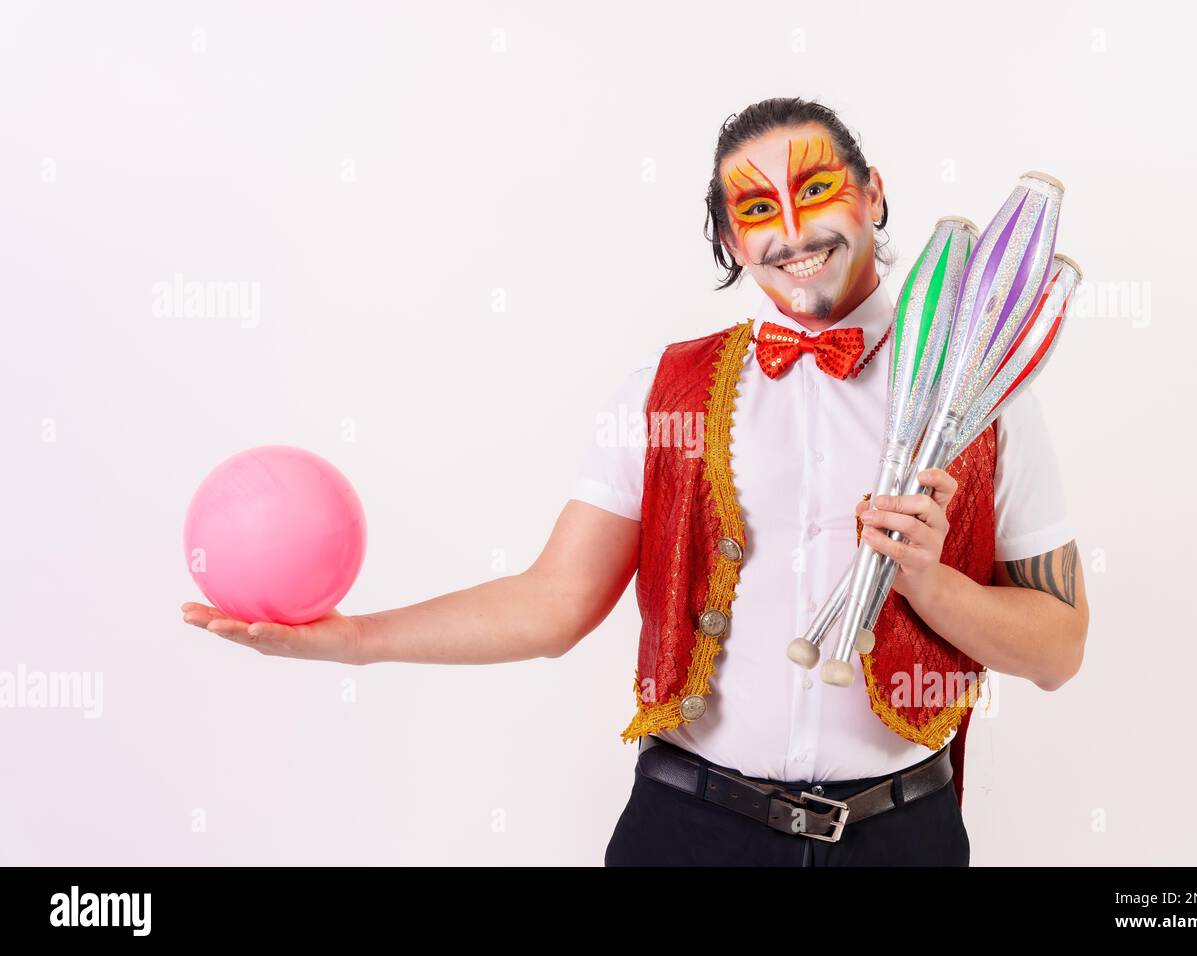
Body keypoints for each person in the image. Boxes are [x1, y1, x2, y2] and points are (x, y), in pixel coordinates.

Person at [181, 97, 1089, 867]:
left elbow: (1058, 650)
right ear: (732, 237)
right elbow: (551, 605)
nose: (793, 231)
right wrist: (352, 641)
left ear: (873, 192)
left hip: (903, 837)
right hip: (691, 835)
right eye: (755, 210)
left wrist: (931, 581)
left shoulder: (989, 401)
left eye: (816, 191)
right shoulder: (666, 395)